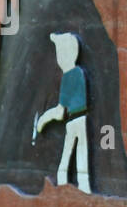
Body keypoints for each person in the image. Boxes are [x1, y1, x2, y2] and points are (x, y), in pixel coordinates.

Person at [33, 32, 91, 193]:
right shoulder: (79, 73)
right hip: (82, 120)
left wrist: (43, 119)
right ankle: (84, 187)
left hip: (73, 121)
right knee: (81, 154)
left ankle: (63, 183)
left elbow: (60, 112)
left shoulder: (68, 77)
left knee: (67, 154)